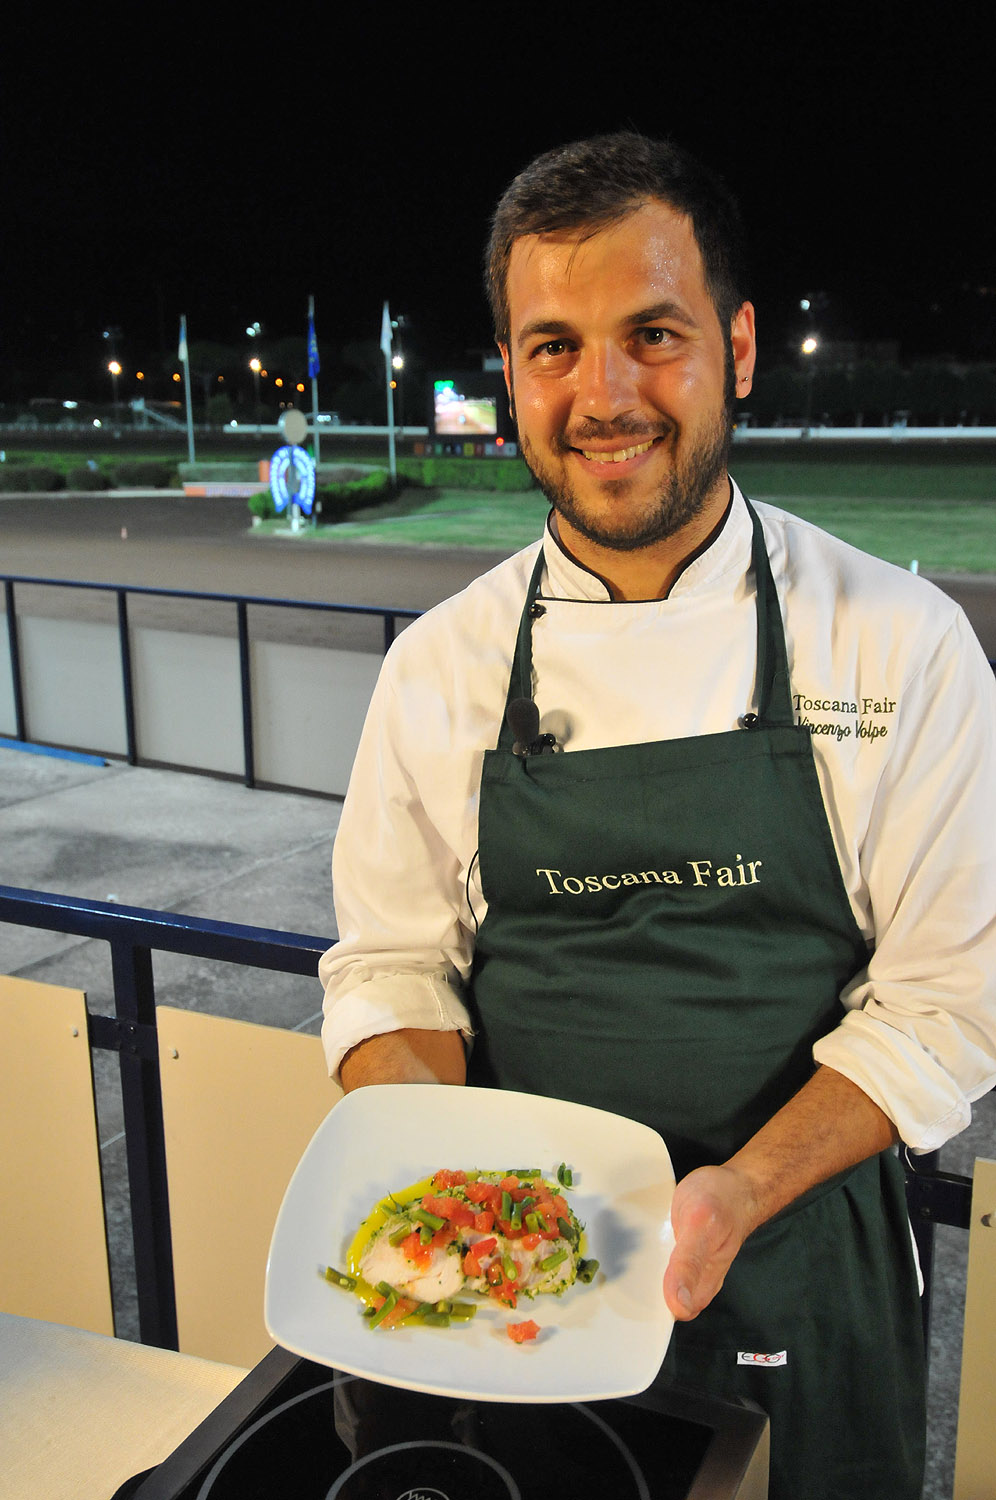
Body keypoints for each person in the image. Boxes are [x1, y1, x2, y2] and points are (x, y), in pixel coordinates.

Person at [320, 132, 996, 1498]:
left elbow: (947, 1003)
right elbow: (389, 966)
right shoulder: (441, 666)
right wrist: (465, 1195)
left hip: (799, 1264)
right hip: (515, 1294)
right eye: (554, 347)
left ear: (737, 348)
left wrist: (738, 1189)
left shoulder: (900, 643)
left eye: (653, 334)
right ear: (511, 374)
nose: (604, 394)